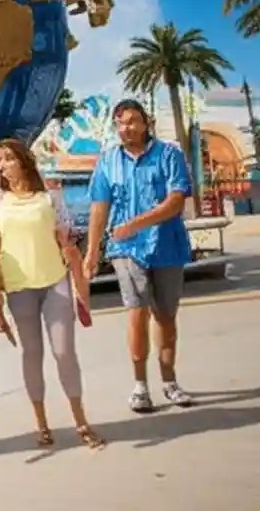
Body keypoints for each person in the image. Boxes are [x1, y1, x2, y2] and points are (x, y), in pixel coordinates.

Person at [0, 138, 105, 449]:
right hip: (19, 288)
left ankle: (80, 420)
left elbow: (66, 244)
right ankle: (42, 424)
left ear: (23, 160)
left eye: (7, 158)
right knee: (32, 354)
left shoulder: (50, 198)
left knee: (64, 352)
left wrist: (81, 282)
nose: (2, 165)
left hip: (54, 283)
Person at [83, 98, 195, 412]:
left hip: (167, 245)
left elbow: (176, 201)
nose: (126, 128)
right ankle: (140, 386)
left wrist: (135, 224)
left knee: (166, 316)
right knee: (136, 310)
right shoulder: (108, 161)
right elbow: (99, 208)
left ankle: (169, 381)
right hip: (126, 249)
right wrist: (91, 253)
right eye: (120, 123)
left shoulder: (169, 155)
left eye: (132, 121)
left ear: (146, 123)